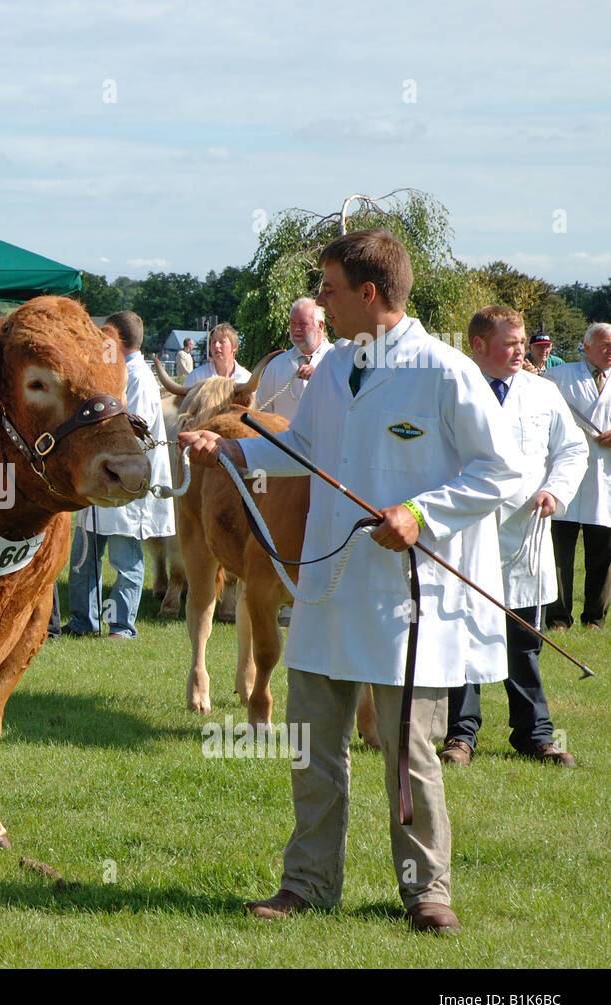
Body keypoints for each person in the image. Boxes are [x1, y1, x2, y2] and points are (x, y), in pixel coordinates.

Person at [179, 229, 523, 935]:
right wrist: (234, 453)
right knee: (312, 750)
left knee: (409, 756)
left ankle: (427, 892)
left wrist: (422, 513)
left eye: (330, 292)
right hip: (325, 589)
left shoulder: (443, 371)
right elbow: (302, 451)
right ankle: (307, 884)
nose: (321, 305)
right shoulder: (335, 368)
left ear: (369, 295)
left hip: (406, 600)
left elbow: (502, 471)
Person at [441, 307, 584, 768]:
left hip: (524, 535)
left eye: (523, 342)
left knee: (523, 641)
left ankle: (535, 734)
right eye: (510, 343)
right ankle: (460, 735)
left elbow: (572, 449)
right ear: (478, 346)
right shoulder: (454, 389)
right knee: (463, 635)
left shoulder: (542, 393)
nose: (520, 351)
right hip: (467, 534)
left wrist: (555, 491)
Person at [66, 311, 175, 639]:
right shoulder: (115, 373)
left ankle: (122, 625)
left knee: (125, 559)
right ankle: (84, 621)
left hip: (125, 480)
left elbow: (132, 427)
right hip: (101, 476)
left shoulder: (138, 377)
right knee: (84, 555)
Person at [545, 322, 611, 631]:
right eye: (605, 345)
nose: (610, 351)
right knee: (559, 549)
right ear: (586, 346)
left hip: (604, 474)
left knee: (603, 549)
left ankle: (595, 617)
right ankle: (558, 616)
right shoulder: (559, 376)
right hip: (566, 471)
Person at [256, 297, 332, 422]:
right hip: (282, 440)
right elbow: (262, 414)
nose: (296, 329)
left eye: (302, 323)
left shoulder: (338, 359)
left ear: (320, 325)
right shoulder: (276, 365)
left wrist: (321, 376)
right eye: (292, 322)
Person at [184, 323, 250, 384]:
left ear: (234, 347)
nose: (216, 345)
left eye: (222, 342)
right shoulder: (196, 377)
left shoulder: (246, 379)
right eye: (213, 342)